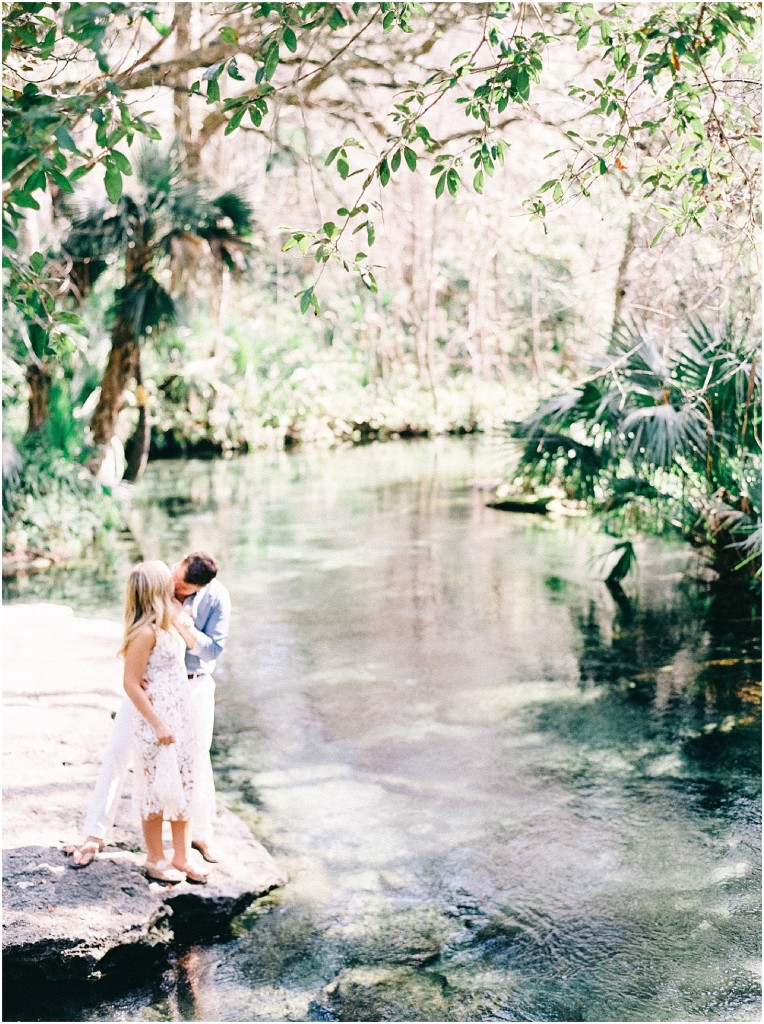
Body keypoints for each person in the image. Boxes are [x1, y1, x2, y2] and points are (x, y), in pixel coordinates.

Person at [67, 551, 231, 868]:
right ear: (180, 563)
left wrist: (185, 628)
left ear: (203, 587)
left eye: (186, 590)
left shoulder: (217, 598)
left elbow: (212, 651)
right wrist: (140, 676)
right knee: (118, 751)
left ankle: (200, 834)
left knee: (196, 760)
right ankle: (94, 833)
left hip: (191, 686)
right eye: (177, 582)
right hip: (150, 685)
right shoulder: (159, 579)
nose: (178, 591)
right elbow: (138, 623)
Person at [121, 560, 204, 883]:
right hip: (158, 722)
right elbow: (130, 682)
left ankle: (182, 855)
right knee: (156, 789)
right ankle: (155, 857)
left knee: (185, 783)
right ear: (156, 589)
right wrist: (158, 724)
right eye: (166, 581)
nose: (174, 583)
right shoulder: (144, 633)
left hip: (181, 714)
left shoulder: (168, 622)